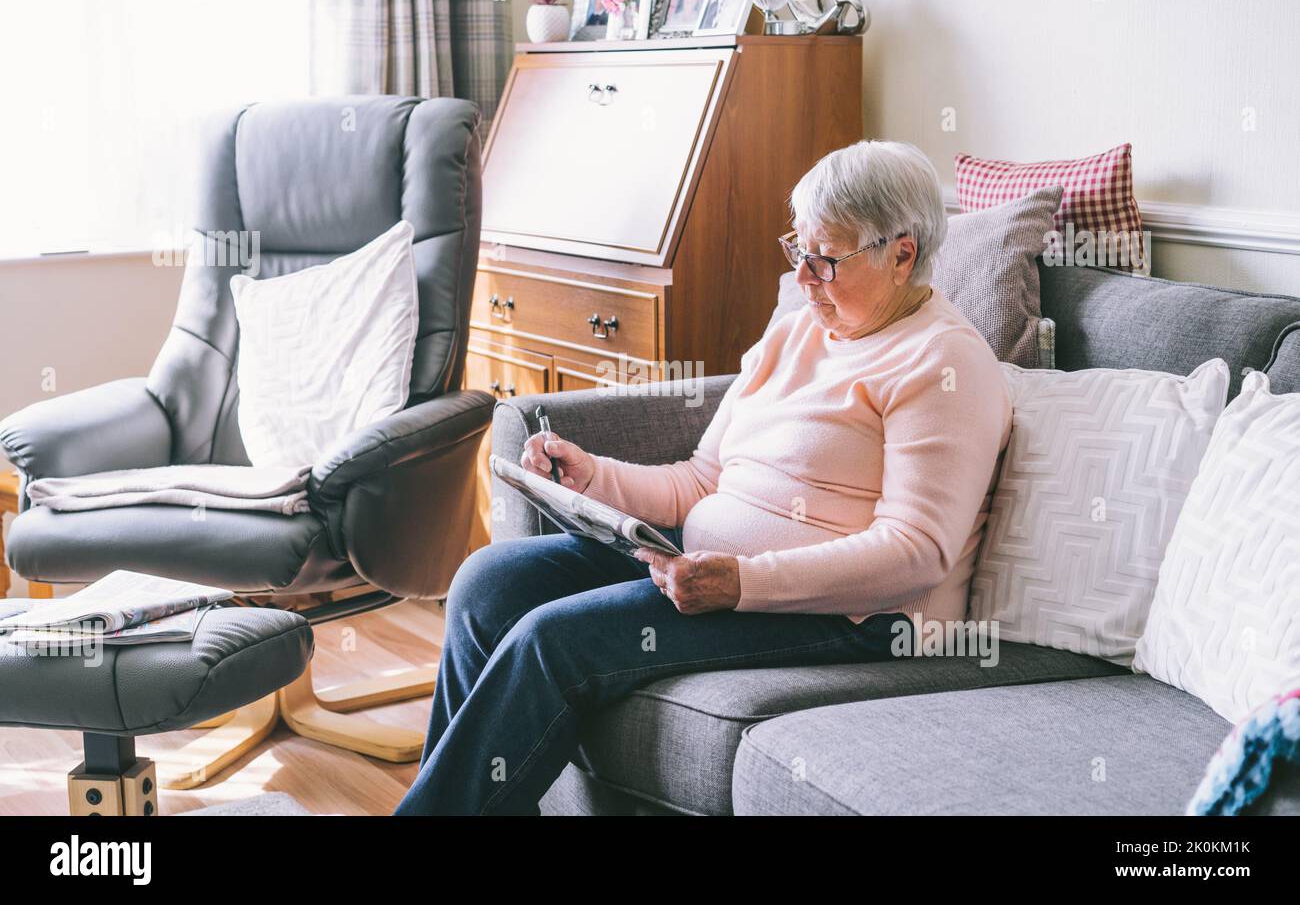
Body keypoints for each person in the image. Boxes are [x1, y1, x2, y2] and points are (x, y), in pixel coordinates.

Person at [395, 140, 1013, 815]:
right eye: (797, 250)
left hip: (854, 614)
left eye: (826, 259)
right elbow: (702, 479)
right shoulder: (797, 334)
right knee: (488, 583)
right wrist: (594, 475)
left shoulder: (944, 364)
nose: (803, 279)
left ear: (902, 254)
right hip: (710, 568)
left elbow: (917, 554)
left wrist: (744, 584)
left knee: (554, 640)